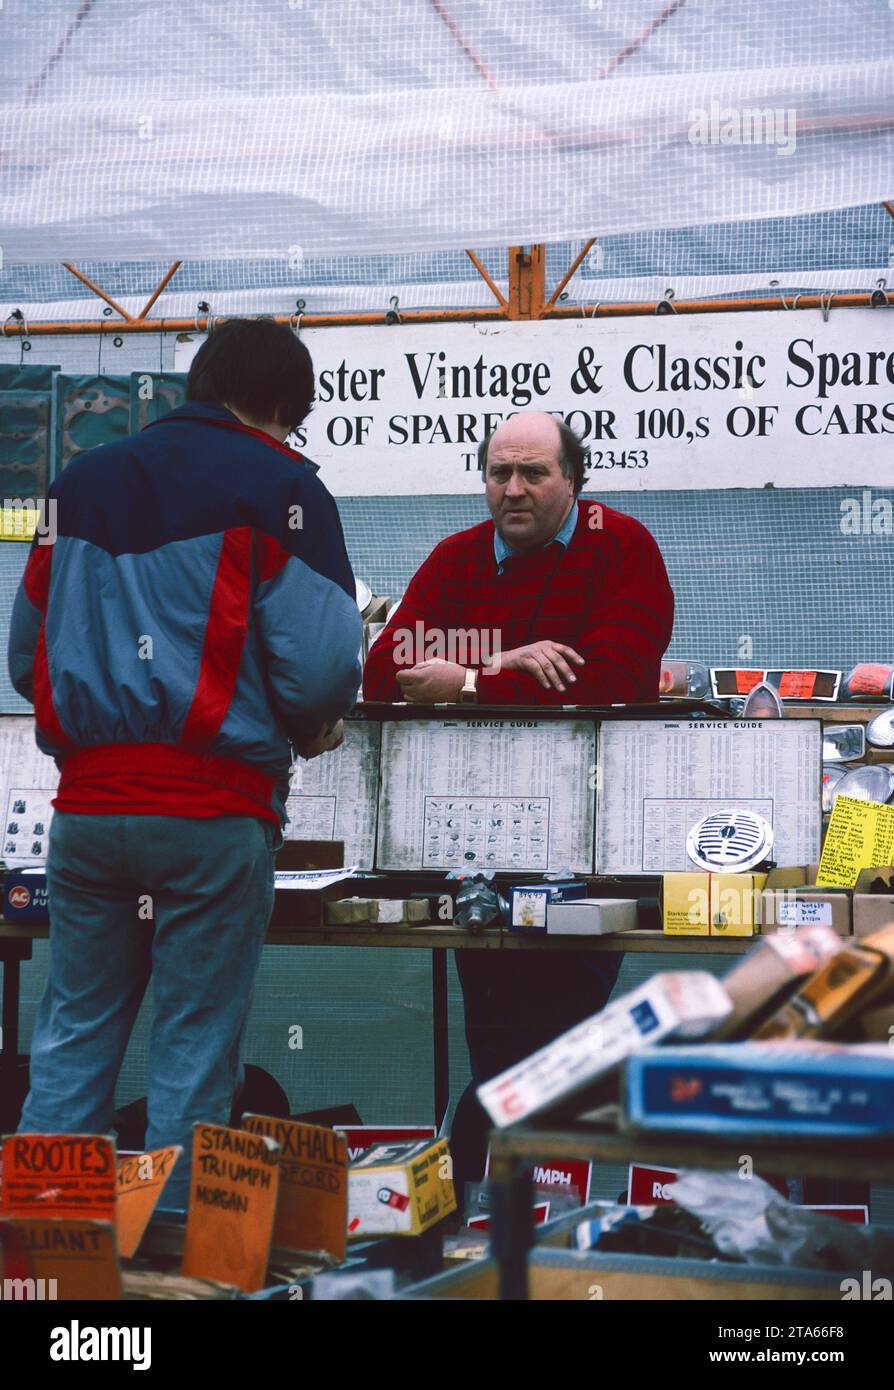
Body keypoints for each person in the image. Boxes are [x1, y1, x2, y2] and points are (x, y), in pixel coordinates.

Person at [8, 318, 361, 1208]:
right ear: (284, 405)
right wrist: (308, 722)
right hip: (213, 815)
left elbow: (26, 658)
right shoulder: (283, 487)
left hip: (86, 819)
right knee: (194, 1047)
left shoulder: (77, 485)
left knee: (75, 1034)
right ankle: (171, 1265)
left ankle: (49, 1253)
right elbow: (321, 668)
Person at [363, 410, 674, 1204]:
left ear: (575, 479)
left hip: (595, 861)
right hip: (477, 852)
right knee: (503, 1048)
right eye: (500, 472)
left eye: (534, 473)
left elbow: (610, 679)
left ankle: (498, 1205)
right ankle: (497, 1218)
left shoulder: (623, 549)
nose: (514, 489)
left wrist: (465, 678)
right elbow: (382, 676)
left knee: (548, 1052)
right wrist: (503, 657)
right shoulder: (457, 558)